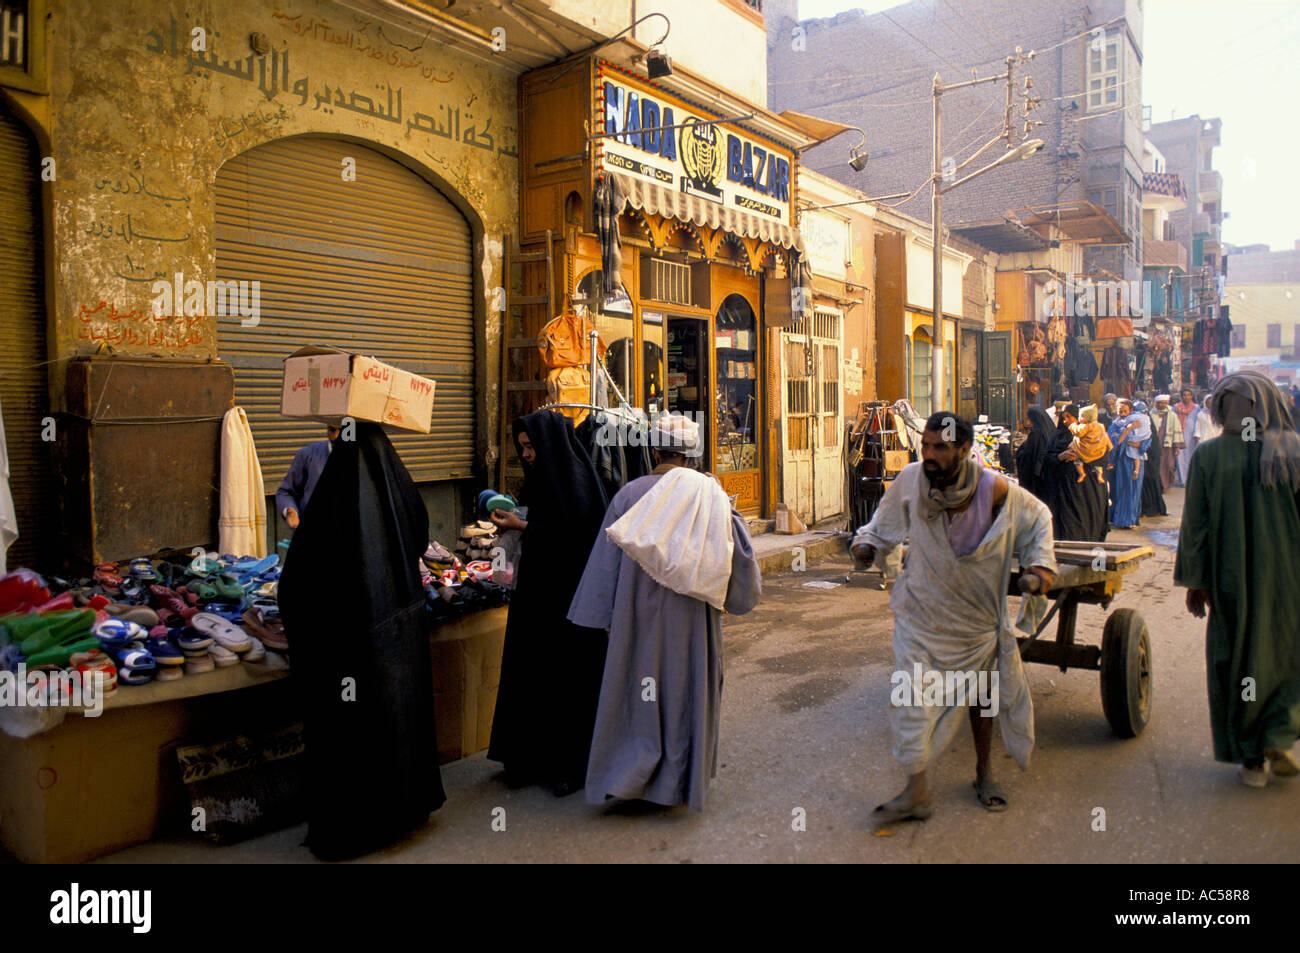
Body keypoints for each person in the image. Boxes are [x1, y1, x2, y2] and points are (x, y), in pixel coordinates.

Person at [851, 412, 1057, 820]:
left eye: (940, 448)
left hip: (975, 622)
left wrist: (1039, 567)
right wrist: (867, 546)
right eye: (925, 445)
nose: (929, 454)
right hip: (920, 616)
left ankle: (984, 772)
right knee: (910, 698)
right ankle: (917, 790)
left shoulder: (995, 489)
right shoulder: (911, 479)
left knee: (982, 698)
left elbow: (1038, 520)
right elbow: (882, 525)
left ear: (965, 450)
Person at [567, 414, 761, 811]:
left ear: (652, 450)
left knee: (638, 696)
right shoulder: (711, 495)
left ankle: (630, 779)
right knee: (686, 693)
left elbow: (605, 568)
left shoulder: (627, 495)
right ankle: (678, 784)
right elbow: (740, 561)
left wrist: (605, 620)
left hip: (634, 620)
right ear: (691, 455)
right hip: (692, 621)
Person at [277, 422, 444, 860]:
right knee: (396, 719)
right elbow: (419, 535)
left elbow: (298, 582)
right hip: (397, 631)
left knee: (352, 734)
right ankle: (403, 809)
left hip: (347, 645)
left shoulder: (336, 495)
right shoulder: (395, 482)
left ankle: (357, 825)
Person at [1175, 370, 1300, 787]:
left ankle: (1251, 758)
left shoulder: (1209, 457)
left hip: (1231, 579)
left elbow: (1197, 525)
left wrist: (1196, 580)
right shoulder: (1290, 452)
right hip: (1287, 578)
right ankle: (1277, 733)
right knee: (1284, 653)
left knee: (1237, 658)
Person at [488, 410, 610, 796]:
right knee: (533, 674)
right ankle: (529, 759)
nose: (525, 454)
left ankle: (569, 767)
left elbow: (576, 534)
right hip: (537, 596)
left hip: (570, 601)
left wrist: (523, 526)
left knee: (568, 682)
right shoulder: (540, 480)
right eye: (521, 447)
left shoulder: (576, 481)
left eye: (530, 446)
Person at [1047, 404, 1112, 542]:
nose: (1066, 421)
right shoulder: (1058, 437)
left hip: (1091, 485)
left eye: (1069, 417)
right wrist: (1061, 456)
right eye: (1063, 418)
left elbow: (1104, 455)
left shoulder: (1095, 433)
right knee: (1072, 520)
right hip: (1069, 487)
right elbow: (1047, 458)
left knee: (1091, 516)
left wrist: (1084, 456)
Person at [276, 424, 341, 529]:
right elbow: (286, 492)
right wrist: (290, 511)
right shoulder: (307, 455)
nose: (336, 436)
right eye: (332, 430)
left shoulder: (366, 460)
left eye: (342, 430)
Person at [1106, 398, 1149, 529]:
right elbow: (1115, 443)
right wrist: (1128, 431)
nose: (1123, 413)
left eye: (1125, 411)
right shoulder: (1115, 425)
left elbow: (1144, 442)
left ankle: (1131, 519)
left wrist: (1128, 439)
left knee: (1135, 490)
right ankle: (1121, 519)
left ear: (1131, 411)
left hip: (1136, 460)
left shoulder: (1139, 422)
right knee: (1122, 489)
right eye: (1120, 411)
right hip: (1122, 460)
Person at [1013, 407, 1055, 504]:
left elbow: (1028, 456)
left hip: (1035, 481)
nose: (1027, 422)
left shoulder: (1037, 435)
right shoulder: (1049, 431)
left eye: (1028, 419)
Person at [1136, 400, 1167, 518]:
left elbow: (1152, 445)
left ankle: (1152, 508)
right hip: (1144, 458)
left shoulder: (1147, 424)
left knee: (1151, 481)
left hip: (1152, 458)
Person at [1151, 395, 1184, 492]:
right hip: (1155, 445)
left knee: (1169, 466)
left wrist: (1177, 446)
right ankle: (1159, 487)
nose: (1163, 405)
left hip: (1168, 445)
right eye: (1161, 403)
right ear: (1156, 403)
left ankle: (1166, 485)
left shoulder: (1172, 415)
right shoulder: (1151, 414)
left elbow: (1177, 429)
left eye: (1165, 403)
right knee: (1157, 466)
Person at [1173, 389, 1198, 485]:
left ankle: (1191, 479)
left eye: (1188, 395)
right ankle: (1182, 480)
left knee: (1191, 456)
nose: (1186, 397)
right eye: (1184, 395)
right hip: (1179, 433)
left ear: (1191, 396)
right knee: (1180, 456)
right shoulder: (1176, 408)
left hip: (1192, 434)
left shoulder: (1196, 408)